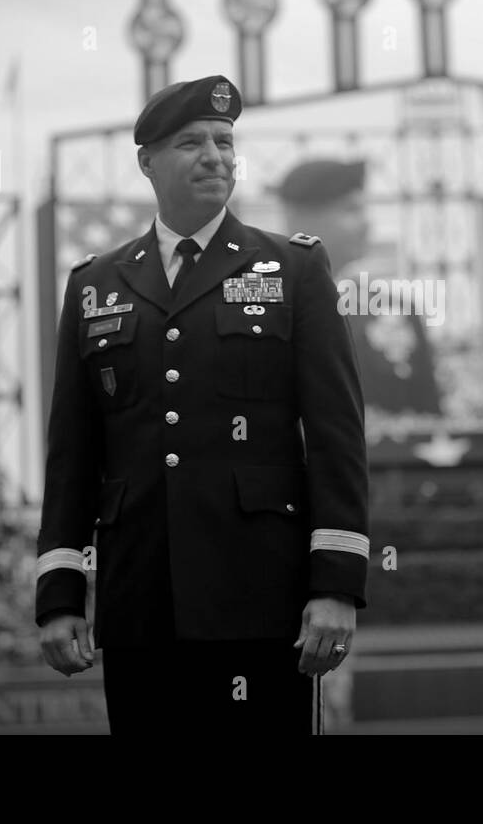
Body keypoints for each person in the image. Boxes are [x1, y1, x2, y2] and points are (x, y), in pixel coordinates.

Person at [35, 75, 369, 735]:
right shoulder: (95, 285)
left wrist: (335, 586)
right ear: (147, 163)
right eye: (191, 142)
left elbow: (337, 437)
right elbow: (72, 455)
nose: (215, 155)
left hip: (262, 601)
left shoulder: (292, 270)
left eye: (224, 140)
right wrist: (59, 595)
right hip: (139, 610)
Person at [275, 158, 441, 416]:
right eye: (350, 210)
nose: (366, 224)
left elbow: (431, 414)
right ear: (299, 219)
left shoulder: (394, 310)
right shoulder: (258, 306)